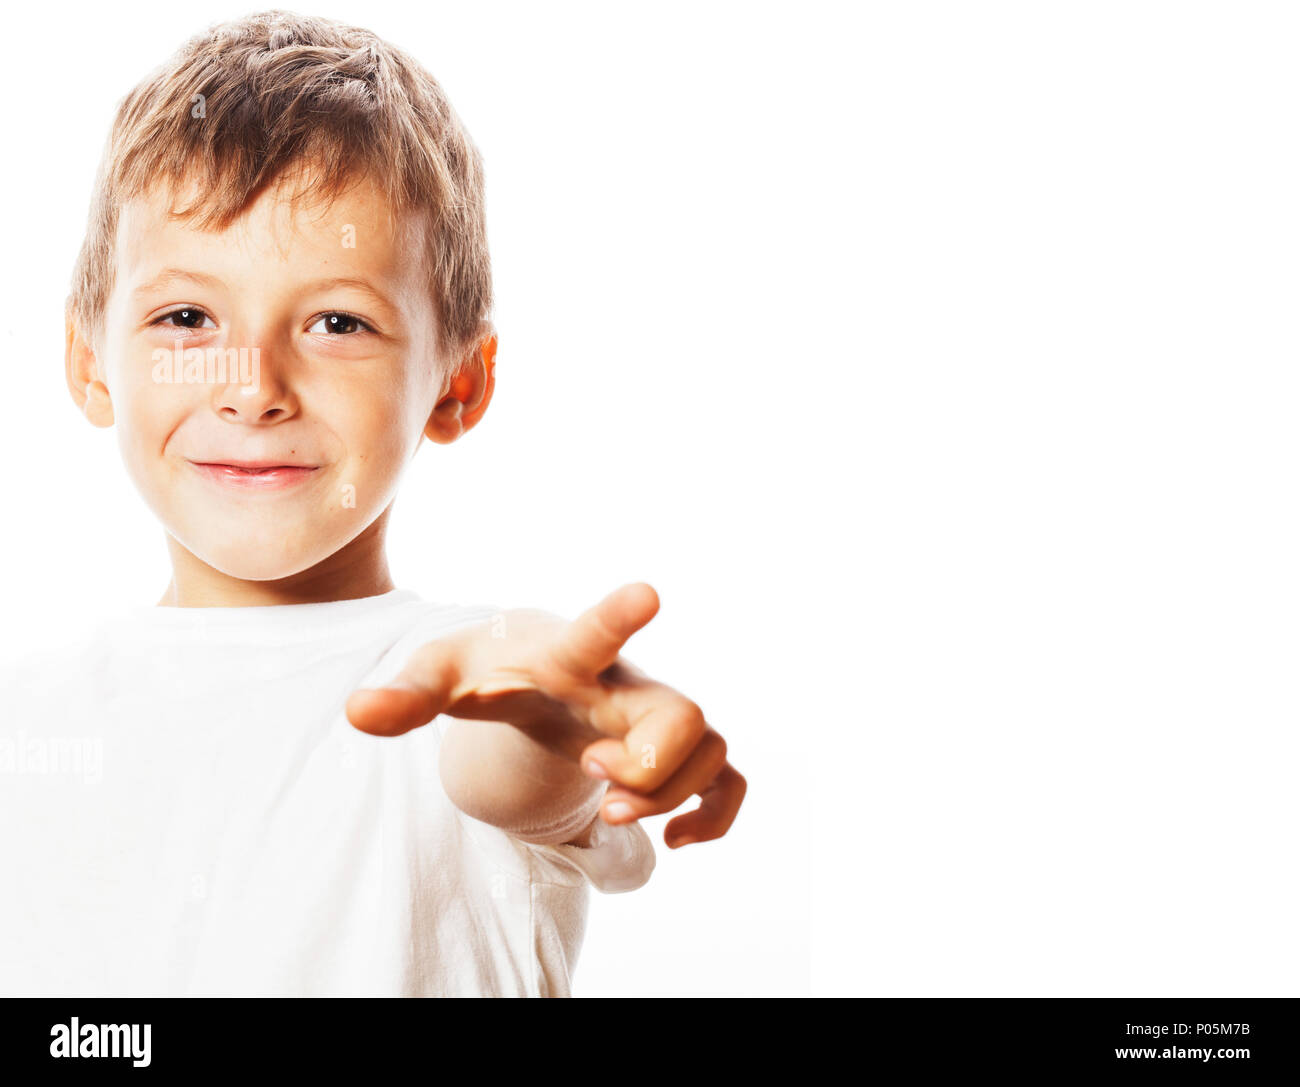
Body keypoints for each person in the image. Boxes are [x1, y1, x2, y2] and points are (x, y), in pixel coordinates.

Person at [0, 9, 744, 997]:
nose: (252, 383)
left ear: (457, 383)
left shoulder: (466, 688)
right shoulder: (28, 720)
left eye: (337, 321)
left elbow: (505, 765)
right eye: (187, 316)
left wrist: (551, 720)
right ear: (89, 363)